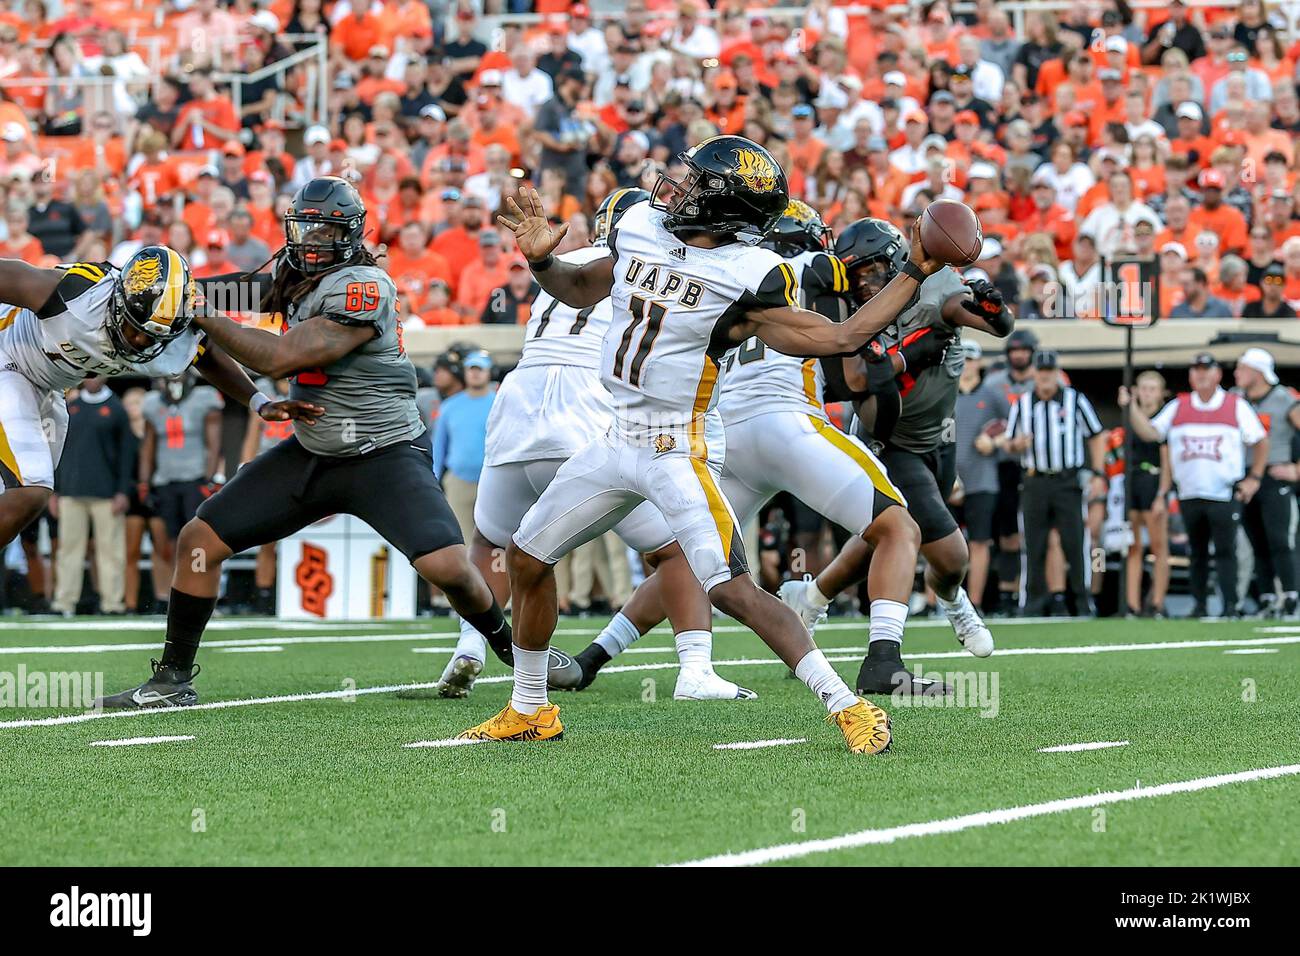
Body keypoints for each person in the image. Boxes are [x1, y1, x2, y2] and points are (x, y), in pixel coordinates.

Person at [467, 137, 948, 753]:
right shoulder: (641, 227)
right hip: (616, 437)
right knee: (529, 557)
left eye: (695, 183)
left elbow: (844, 336)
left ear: (725, 209)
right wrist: (542, 265)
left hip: (679, 446)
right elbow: (583, 287)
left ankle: (847, 706)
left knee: (728, 587)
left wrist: (912, 273)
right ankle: (530, 708)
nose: (676, 188)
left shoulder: (748, 275)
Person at [97, 178, 515, 708]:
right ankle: (172, 679)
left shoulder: (365, 285)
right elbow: (229, 288)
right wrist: (163, 285)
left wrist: (197, 310)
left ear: (351, 234)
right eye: (305, 226)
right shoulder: (291, 273)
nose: (312, 238)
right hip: (313, 449)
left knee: (447, 567)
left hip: (381, 452)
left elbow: (278, 357)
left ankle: (511, 647)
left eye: (326, 228)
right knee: (198, 543)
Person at [554, 201, 955, 695]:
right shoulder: (796, 268)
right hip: (786, 422)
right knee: (898, 527)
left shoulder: (720, 270)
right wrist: (914, 272)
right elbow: (850, 305)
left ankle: (594, 656)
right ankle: (883, 661)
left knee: (694, 559)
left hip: (725, 430)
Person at [452, 188, 748, 703]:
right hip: (586, 408)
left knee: (491, 542)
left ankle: (472, 645)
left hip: (519, 402)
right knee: (677, 549)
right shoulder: (644, 266)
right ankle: (695, 669)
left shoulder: (568, 262)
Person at [779, 216, 1012, 691]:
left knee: (879, 539)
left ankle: (813, 597)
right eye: (853, 275)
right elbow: (863, 393)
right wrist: (910, 353)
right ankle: (948, 608)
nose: (861, 284)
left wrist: (992, 309)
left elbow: (989, 322)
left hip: (938, 437)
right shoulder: (849, 309)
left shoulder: (933, 289)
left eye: (868, 272)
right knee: (948, 553)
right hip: (889, 441)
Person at [0, 249, 310, 557]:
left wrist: (258, 401)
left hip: (48, 389)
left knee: (17, 498)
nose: (138, 341)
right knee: (30, 489)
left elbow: (209, 353)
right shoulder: (78, 292)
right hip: (7, 358)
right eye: (134, 327)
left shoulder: (170, 329)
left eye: (151, 337)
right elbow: (10, 275)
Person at [1122, 353, 1269, 618]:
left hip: (1223, 491)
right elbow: (1151, 432)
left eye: (1206, 370)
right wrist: (1130, 406)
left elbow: (1260, 439)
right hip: (1190, 492)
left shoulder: (1234, 404)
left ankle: (1230, 606)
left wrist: (1254, 478)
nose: (1201, 375)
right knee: (1197, 553)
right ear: (1190, 375)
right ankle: (1199, 604)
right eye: (1196, 370)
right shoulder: (1180, 405)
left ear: (1217, 375)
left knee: (1225, 551)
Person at [1000, 350, 1108, 617]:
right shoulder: (1022, 404)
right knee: (1033, 544)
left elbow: (1096, 435)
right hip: (1035, 480)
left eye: (1050, 371)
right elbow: (1009, 443)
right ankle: (1033, 604)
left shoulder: (1075, 400)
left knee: (1076, 543)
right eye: (1042, 371)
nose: (1046, 376)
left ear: (1057, 373)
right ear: (1035, 373)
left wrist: (1097, 472)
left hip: (1067, 481)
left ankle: (1083, 603)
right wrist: (1017, 445)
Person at [49, 375, 133, 616]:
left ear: (106, 375)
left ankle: (113, 603)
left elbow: (127, 455)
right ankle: (63, 602)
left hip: (107, 494)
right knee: (68, 550)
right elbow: (60, 451)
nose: (93, 379)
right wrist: (56, 490)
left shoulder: (117, 409)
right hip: (71, 492)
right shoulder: (70, 407)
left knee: (111, 551)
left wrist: (122, 491)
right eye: (89, 374)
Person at [138, 372, 223, 593]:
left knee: (198, 539)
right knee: (169, 540)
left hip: (195, 479)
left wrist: (210, 478)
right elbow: (148, 446)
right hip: (166, 480)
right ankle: (175, 590)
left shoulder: (203, 398)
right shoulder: (152, 404)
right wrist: (144, 482)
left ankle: (201, 589)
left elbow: (214, 444)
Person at [1231, 348, 1300, 617]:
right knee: (1256, 542)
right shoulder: (1236, 398)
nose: (1236, 373)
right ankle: (1267, 597)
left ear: (1257, 371)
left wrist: (1296, 470)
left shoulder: (1284, 399)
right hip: (1245, 477)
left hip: (1273, 477)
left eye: (1241, 368)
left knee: (1280, 540)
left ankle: (1291, 597)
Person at [983, 328, 1037, 616]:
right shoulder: (993, 384)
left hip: (1035, 464)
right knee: (1005, 535)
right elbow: (983, 423)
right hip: (1003, 464)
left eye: (1024, 350)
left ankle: (1036, 591)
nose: (1019, 355)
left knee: (1035, 534)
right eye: (1014, 350)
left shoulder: (1044, 381)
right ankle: (1006, 590)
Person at [954, 341, 1012, 611]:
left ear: (978, 362)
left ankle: (974, 602)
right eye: (962, 359)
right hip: (948, 478)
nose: (966, 365)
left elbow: (1013, 426)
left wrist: (995, 442)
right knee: (940, 543)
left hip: (982, 478)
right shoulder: (945, 391)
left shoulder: (992, 395)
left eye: (970, 359)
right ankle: (938, 602)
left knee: (980, 541)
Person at [1121, 371, 1172, 618]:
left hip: (1153, 482)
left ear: (1161, 393)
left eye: (1153, 389)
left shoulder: (1165, 417)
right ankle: (1132, 604)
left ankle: (1158, 602)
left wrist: (1162, 493)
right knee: (1132, 546)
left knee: (1159, 547)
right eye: (1143, 388)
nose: (1147, 393)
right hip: (1132, 482)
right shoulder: (1127, 416)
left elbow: (1161, 449)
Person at [432, 350, 496, 544]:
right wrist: (434, 480)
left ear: (489, 372)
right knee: (461, 541)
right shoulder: (449, 406)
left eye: (480, 369)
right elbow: (439, 447)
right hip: (459, 481)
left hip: (493, 481)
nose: (475, 374)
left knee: (495, 541)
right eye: (471, 369)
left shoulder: (500, 403)